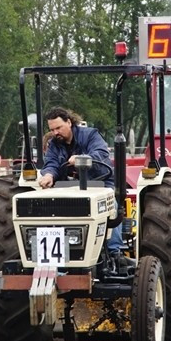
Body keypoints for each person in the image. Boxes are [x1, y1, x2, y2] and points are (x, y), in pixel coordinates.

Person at [39, 106, 124, 257]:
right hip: (68, 186)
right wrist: (49, 175)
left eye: (58, 128)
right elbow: (51, 163)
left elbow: (100, 154)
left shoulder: (90, 135)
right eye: (52, 130)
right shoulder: (54, 144)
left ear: (69, 122)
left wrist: (82, 159)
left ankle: (114, 252)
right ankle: (59, 253)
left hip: (100, 183)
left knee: (112, 206)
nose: (55, 133)